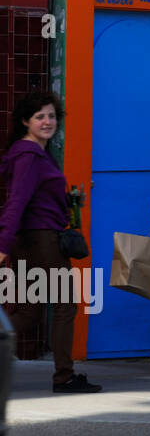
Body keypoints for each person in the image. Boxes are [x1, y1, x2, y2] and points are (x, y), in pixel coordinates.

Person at [0, 92, 101, 393]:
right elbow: (16, 202)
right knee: (65, 305)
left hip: (29, 239)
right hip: (42, 240)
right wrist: (2, 245)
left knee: (29, 312)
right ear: (24, 122)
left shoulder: (36, 153)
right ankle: (65, 377)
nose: (47, 122)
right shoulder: (30, 155)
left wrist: (68, 200)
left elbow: (31, 199)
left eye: (51, 116)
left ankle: (64, 375)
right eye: (39, 117)